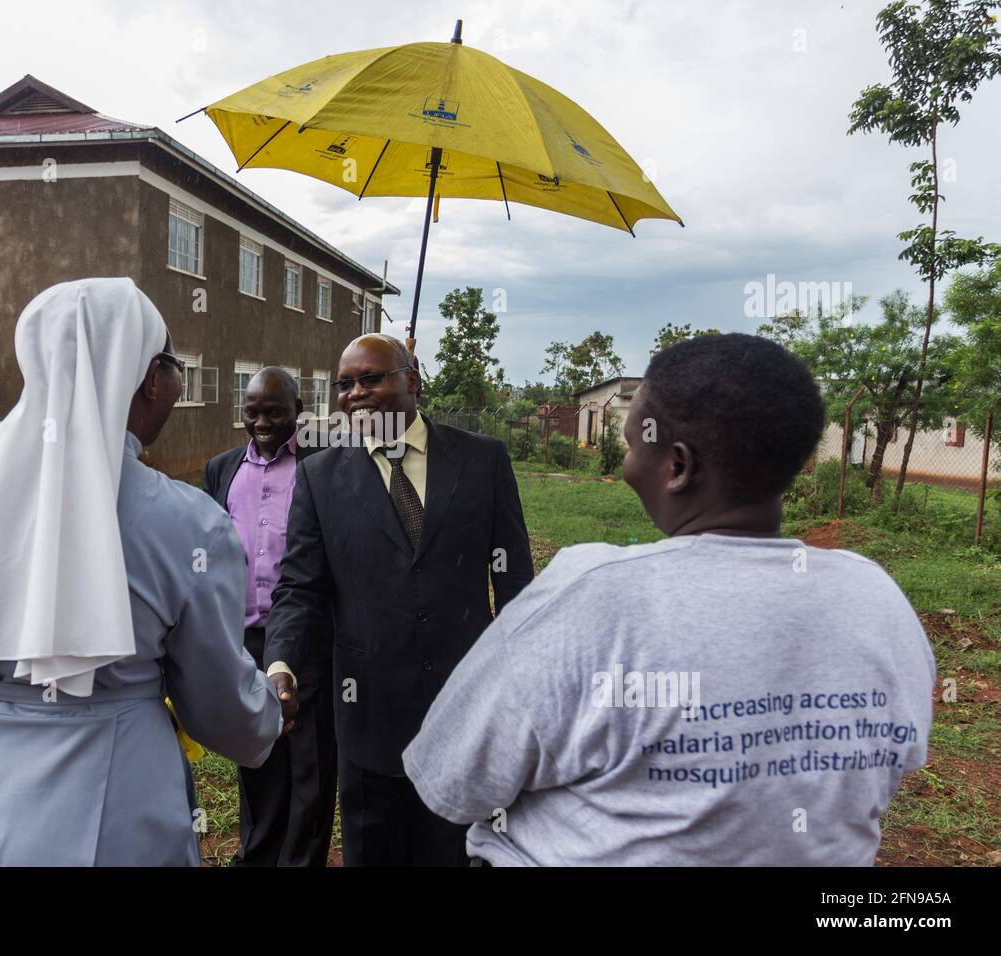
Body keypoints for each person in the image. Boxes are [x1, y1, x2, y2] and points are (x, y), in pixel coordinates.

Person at [403, 333, 936, 866]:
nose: (627, 465)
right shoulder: (874, 596)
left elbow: (453, 781)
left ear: (678, 466)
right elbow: (897, 760)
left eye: (635, 446)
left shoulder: (591, 593)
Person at [0, 277, 281, 866]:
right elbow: (223, 712)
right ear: (147, 377)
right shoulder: (190, 524)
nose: (175, 383)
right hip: (112, 816)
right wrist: (269, 708)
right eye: (174, 365)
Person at [264, 333, 534, 866]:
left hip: (466, 708)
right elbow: (300, 586)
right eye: (345, 384)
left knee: (458, 853)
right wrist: (282, 662)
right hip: (367, 715)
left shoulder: (482, 461)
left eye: (371, 378)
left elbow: (515, 582)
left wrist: (522, 676)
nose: (355, 393)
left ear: (412, 381)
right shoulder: (320, 477)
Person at [203, 368, 336, 867]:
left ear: (298, 411)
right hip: (244, 640)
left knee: (309, 769)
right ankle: (255, 856)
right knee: (257, 756)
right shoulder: (222, 469)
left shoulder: (321, 466)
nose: (262, 422)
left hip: (305, 638)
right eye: (252, 411)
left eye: (274, 411)